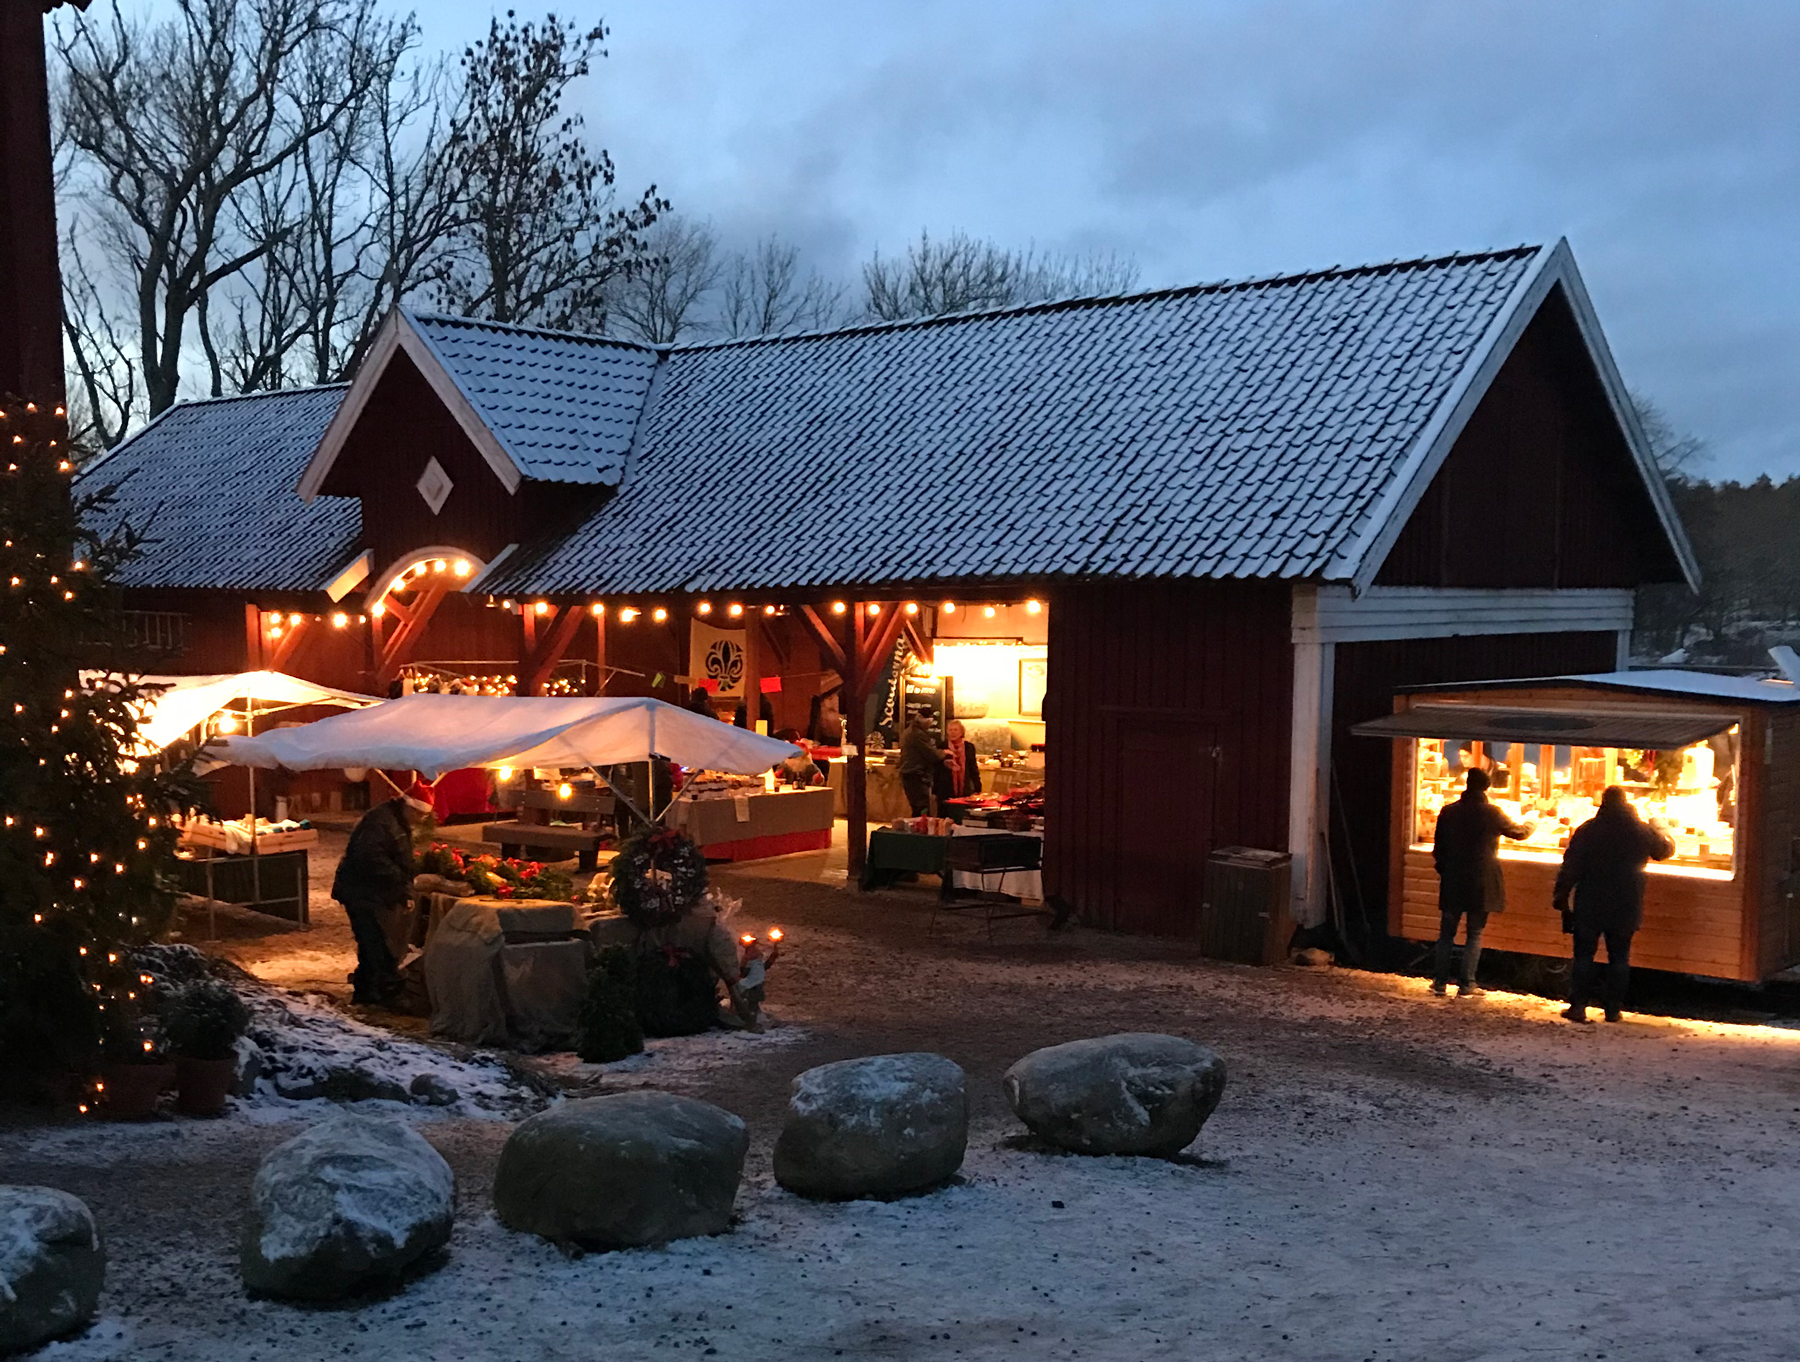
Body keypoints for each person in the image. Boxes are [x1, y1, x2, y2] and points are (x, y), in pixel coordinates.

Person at [1554, 786, 1676, 1023]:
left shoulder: (1588, 830)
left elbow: (1570, 866)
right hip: (1626, 902)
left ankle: (1578, 1006)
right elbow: (1664, 851)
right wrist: (1662, 827)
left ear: (1603, 803)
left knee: (1583, 956)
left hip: (1590, 901)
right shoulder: (1640, 830)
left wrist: (1560, 896)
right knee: (1619, 957)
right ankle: (1613, 1010)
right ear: (1625, 802)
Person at [1430, 767, 1532, 997]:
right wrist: (1532, 821)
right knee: (1474, 933)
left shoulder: (1448, 812)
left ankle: (1439, 982)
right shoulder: (1492, 813)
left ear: (1467, 783)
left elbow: (1438, 849)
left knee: (1446, 933)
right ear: (1487, 787)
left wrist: (1443, 869)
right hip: (1481, 882)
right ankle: (1467, 984)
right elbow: (1519, 833)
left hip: (1453, 879)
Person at [332, 778, 433, 1004]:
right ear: (410, 806)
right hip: (363, 892)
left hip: (372, 891)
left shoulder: (395, 819)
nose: (422, 821)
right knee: (376, 944)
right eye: (421, 815)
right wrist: (400, 879)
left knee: (375, 945)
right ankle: (375, 994)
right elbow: (370, 858)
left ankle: (370, 994)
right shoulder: (381, 821)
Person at [898, 709, 947, 817]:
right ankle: (919, 831)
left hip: (910, 774)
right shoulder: (918, 734)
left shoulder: (909, 730)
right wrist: (944, 753)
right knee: (922, 809)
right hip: (916, 775)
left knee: (918, 808)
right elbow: (932, 754)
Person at [933, 718, 983, 805]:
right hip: (945, 790)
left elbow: (973, 768)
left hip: (965, 789)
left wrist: (977, 786)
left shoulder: (969, 747)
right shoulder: (942, 746)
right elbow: (936, 770)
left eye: (955, 730)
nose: (953, 732)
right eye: (950, 730)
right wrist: (934, 791)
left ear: (961, 732)